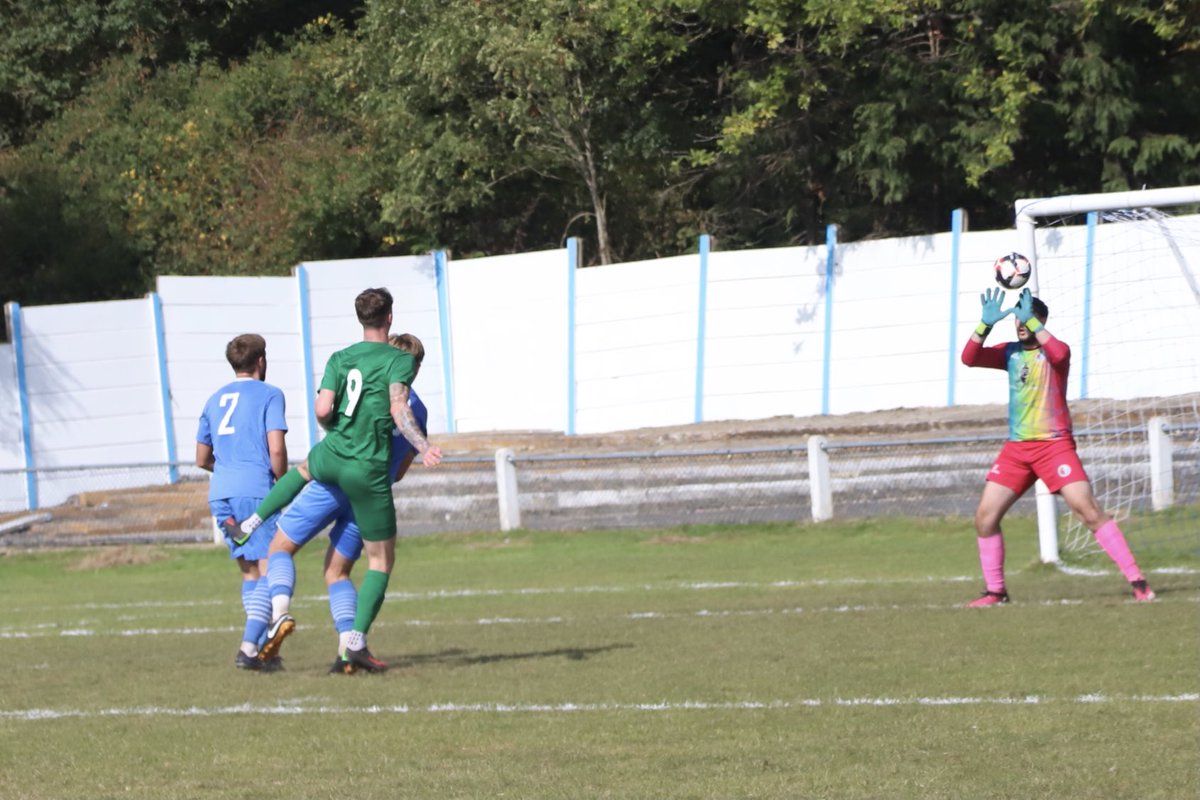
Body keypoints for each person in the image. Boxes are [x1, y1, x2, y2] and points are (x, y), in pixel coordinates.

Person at [253, 288, 441, 670]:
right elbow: (400, 468)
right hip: (368, 492)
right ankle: (349, 646)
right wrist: (419, 448)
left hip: (332, 480)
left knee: (279, 548)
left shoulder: (349, 362)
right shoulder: (416, 408)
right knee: (345, 570)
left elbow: (326, 410)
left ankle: (275, 616)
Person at [961, 287, 1155, 606]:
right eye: (1019, 319)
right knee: (984, 517)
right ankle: (996, 592)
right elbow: (969, 358)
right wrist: (984, 324)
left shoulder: (1054, 353)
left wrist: (1034, 323)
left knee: (1088, 511)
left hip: (1054, 447)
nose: (1021, 324)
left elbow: (1061, 354)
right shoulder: (1009, 353)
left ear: (1042, 320)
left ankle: (1138, 581)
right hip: (1017, 450)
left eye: (1029, 318)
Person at [195, 333, 289, 670]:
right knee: (269, 567)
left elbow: (202, 457)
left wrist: (228, 473)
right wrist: (282, 482)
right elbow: (276, 448)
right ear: (261, 361)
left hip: (221, 494)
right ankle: (250, 648)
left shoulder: (213, 399)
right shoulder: (270, 394)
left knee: (250, 572)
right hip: (256, 493)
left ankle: (264, 650)